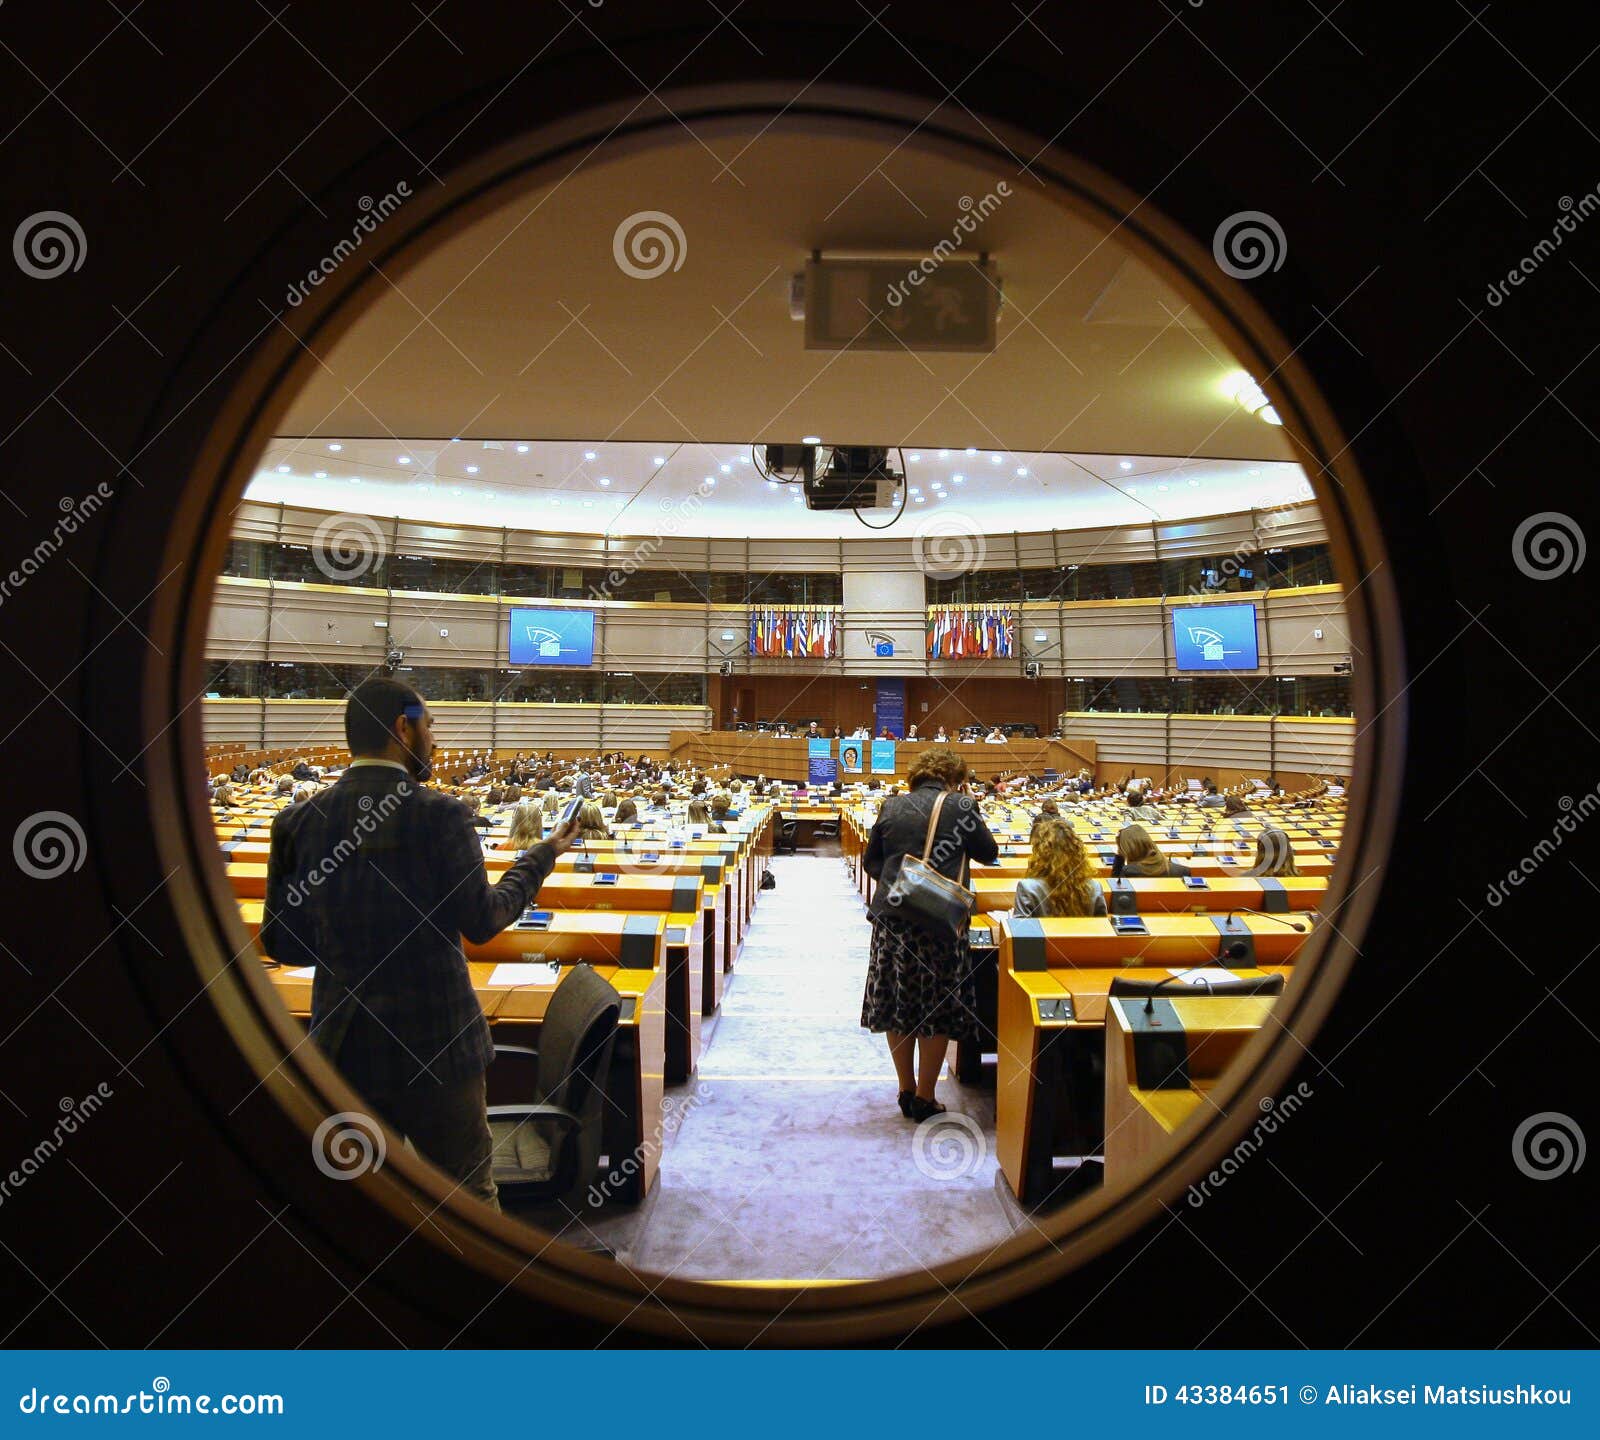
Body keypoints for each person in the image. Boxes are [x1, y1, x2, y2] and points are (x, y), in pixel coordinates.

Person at [261, 676, 581, 1211]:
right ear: (402, 727)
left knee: (357, 1199)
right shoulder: (441, 816)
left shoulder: (297, 822)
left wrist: (348, 937)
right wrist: (541, 857)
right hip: (439, 1049)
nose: (435, 739)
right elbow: (484, 920)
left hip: (343, 1048)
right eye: (430, 726)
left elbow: (282, 943)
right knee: (467, 1202)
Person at [861, 747, 998, 1122]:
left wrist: (901, 888)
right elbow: (989, 853)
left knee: (896, 1003)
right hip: (939, 923)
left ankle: (905, 1089)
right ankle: (926, 1095)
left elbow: (872, 861)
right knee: (937, 1007)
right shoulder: (961, 806)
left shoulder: (892, 806)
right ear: (955, 777)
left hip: (894, 921)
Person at [1013, 820, 1107, 916]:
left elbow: (1021, 929)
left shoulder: (1027, 887)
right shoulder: (1095, 887)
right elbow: (1102, 927)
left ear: (1040, 853)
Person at [1112, 822, 1188, 878]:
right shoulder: (1183, 871)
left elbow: (1116, 890)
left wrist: (1119, 857)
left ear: (1128, 850)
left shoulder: (1128, 871)